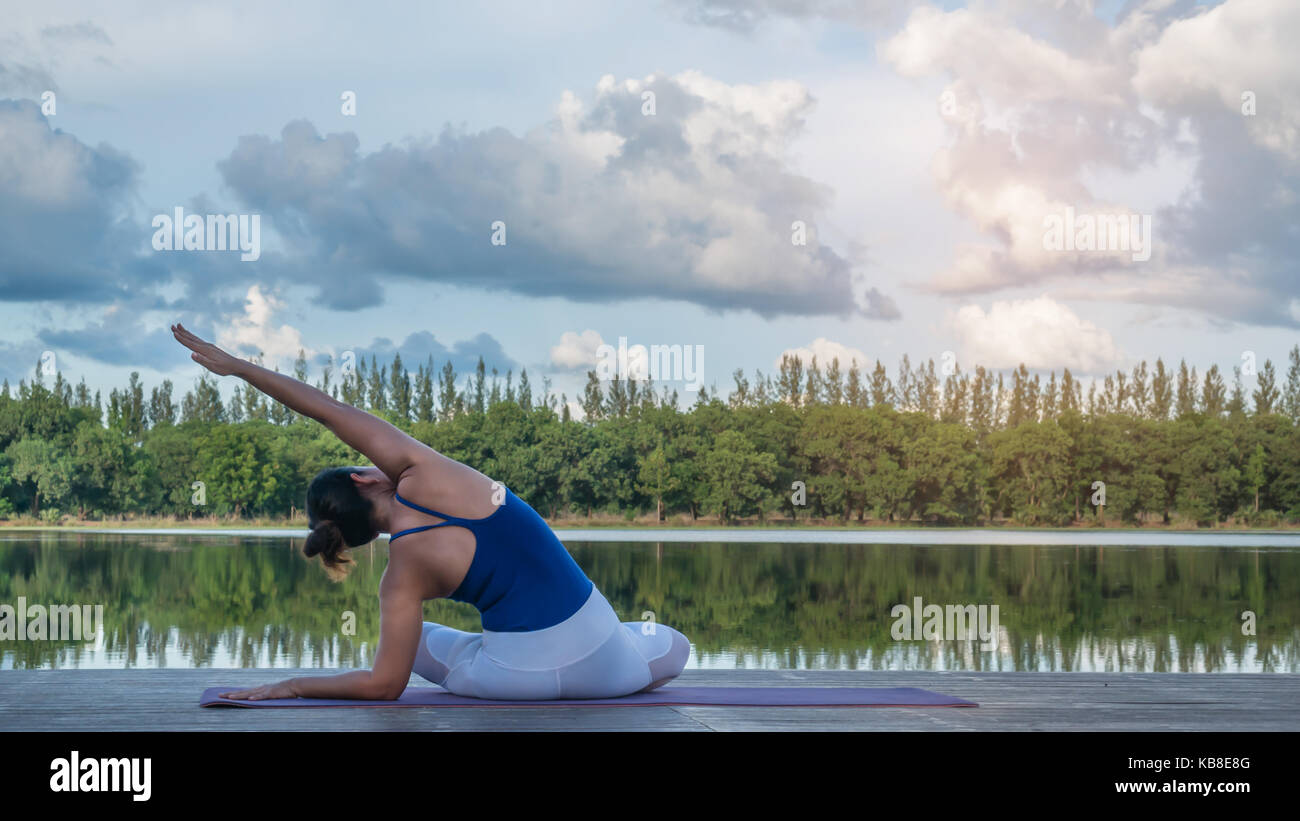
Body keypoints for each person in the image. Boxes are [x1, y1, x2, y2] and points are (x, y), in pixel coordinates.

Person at [171, 323, 690, 701]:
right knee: (672, 644)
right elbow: (326, 410)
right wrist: (238, 367)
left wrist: (292, 685)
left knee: (420, 644)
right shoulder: (427, 472)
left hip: (509, 683)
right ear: (365, 477)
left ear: (356, 537)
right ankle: (606, 656)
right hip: (607, 669)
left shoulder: (399, 576)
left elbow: (384, 685)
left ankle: (515, 658)